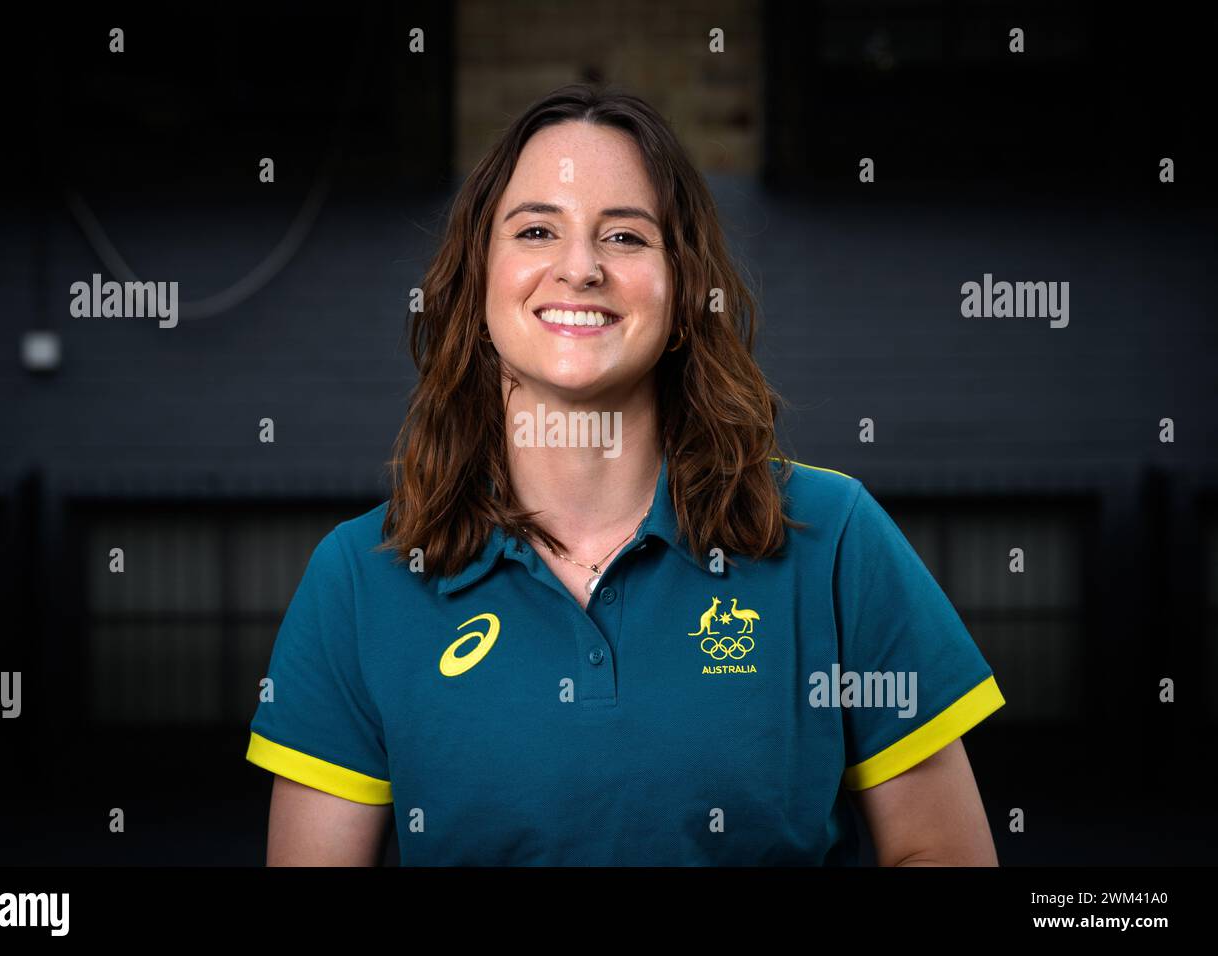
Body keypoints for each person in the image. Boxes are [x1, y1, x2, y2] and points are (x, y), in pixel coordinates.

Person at [245, 83, 1005, 866]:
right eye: (537, 230)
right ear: (476, 286)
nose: (580, 270)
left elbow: (940, 853)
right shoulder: (356, 581)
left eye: (626, 238)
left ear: (682, 293)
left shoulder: (835, 537)